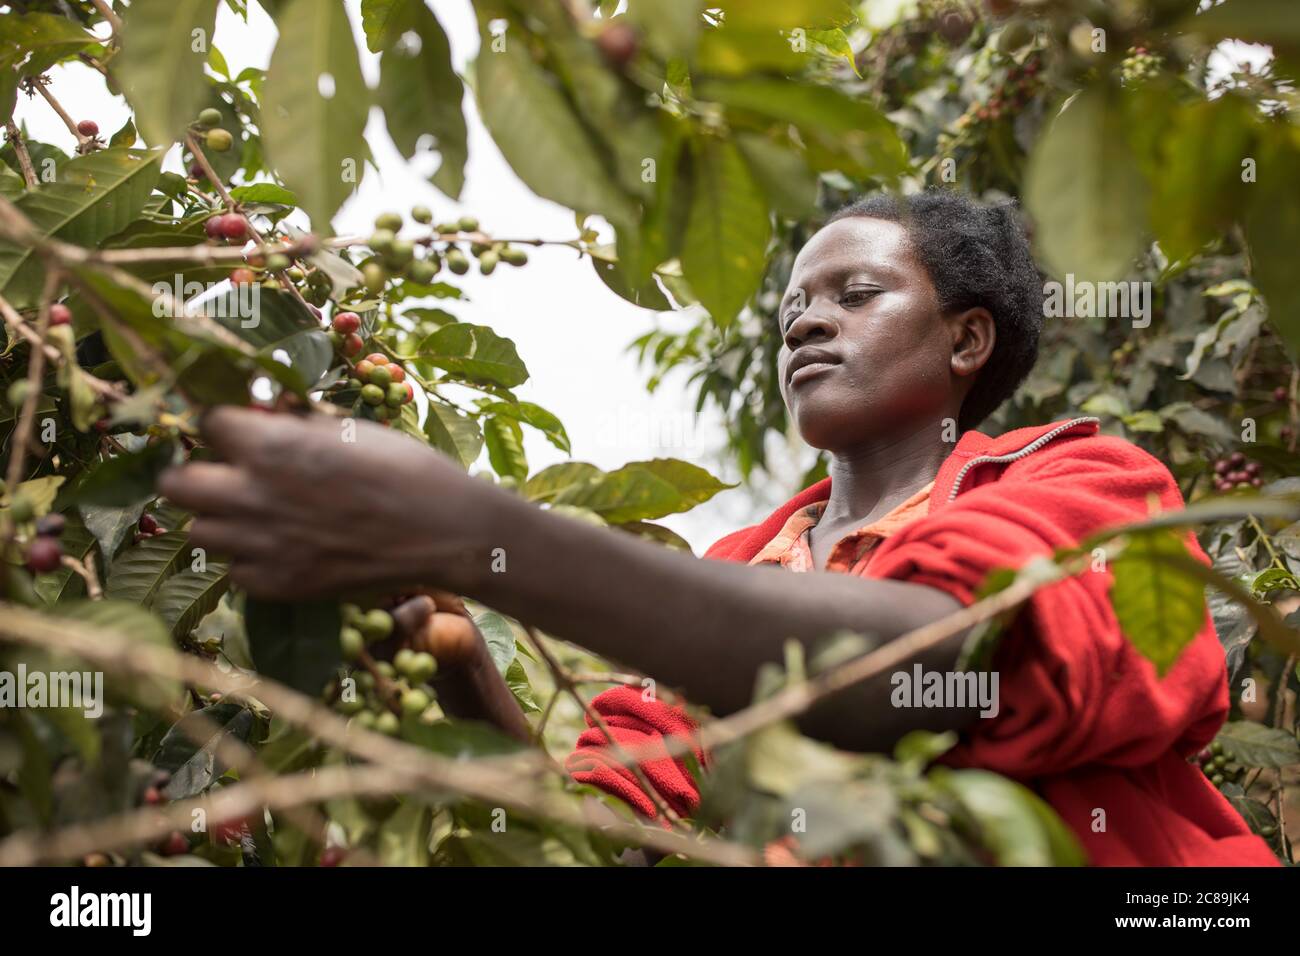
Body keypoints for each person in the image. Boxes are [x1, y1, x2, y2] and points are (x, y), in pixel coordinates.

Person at [160, 190, 1277, 866]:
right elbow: (611, 836)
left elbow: (949, 663)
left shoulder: (1089, 483)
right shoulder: (737, 576)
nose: (807, 321)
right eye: (795, 305)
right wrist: (448, 649)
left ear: (967, 340)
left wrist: (482, 530)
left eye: (854, 293)